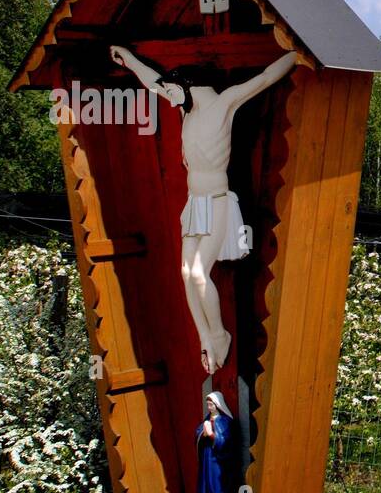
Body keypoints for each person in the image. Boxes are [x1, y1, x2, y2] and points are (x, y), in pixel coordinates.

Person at [109, 45, 297, 373]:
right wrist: (129, 58)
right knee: (185, 274)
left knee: (198, 272)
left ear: (186, 87)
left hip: (218, 201)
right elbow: (154, 82)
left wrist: (297, 53)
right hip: (195, 202)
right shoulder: (187, 110)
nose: (167, 96)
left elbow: (266, 78)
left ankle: (219, 334)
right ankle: (205, 339)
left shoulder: (224, 104)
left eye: (172, 91)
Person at [196, 391, 238, 493]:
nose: (209, 407)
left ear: (218, 405)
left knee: (219, 491)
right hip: (207, 460)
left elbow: (226, 442)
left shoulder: (224, 422)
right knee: (207, 491)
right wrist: (203, 434)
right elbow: (198, 434)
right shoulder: (207, 419)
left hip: (218, 464)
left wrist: (212, 435)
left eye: (211, 404)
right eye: (207, 404)